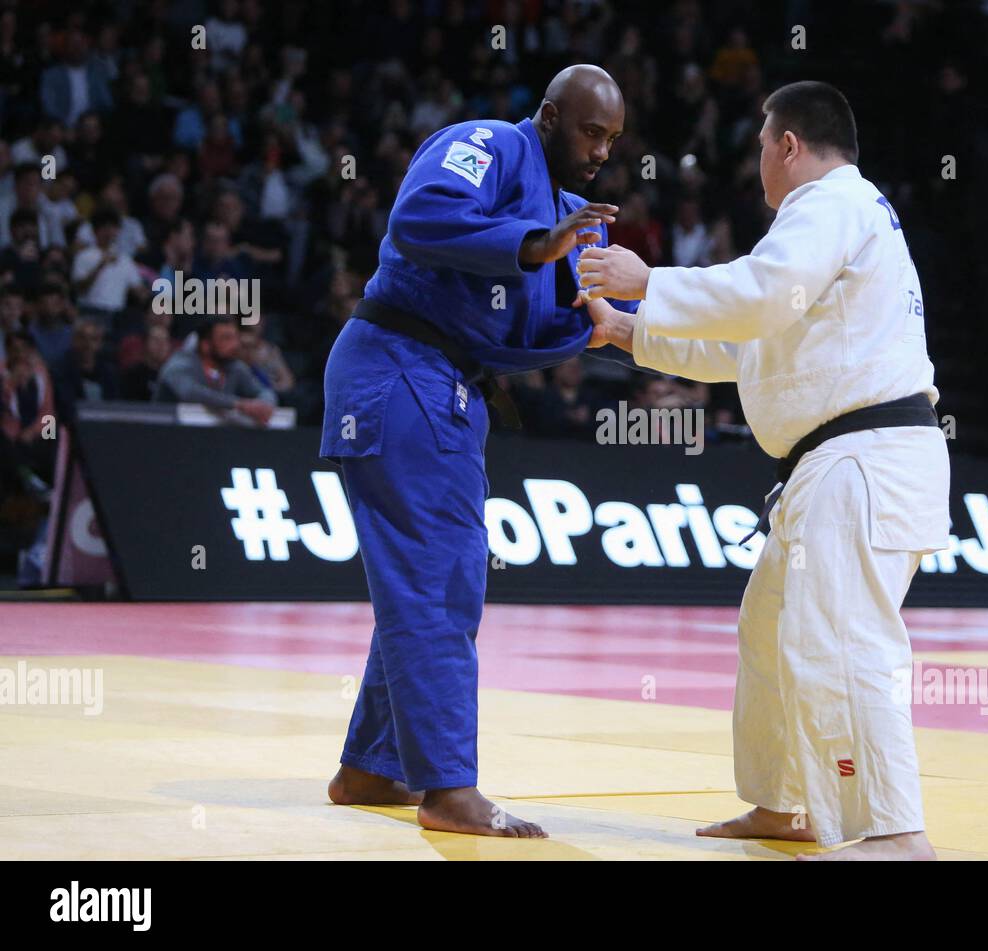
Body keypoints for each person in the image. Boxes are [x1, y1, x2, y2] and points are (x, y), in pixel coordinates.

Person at [579, 81, 949, 860]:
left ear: (787, 145)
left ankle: (894, 829)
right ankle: (785, 803)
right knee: (772, 627)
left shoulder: (828, 204)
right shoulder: (842, 223)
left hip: (863, 458)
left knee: (844, 640)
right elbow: (748, 347)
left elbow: (755, 296)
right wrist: (628, 331)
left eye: (758, 146)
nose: (756, 164)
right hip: (841, 461)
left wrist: (647, 279)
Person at [321, 64, 627, 838]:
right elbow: (419, 221)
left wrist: (596, 327)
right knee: (438, 576)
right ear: (552, 117)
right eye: (592, 132)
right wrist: (534, 244)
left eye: (615, 140)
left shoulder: (563, 212)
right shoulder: (484, 145)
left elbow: (515, 340)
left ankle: (370, 765)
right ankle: (449, 787)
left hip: (450, 387)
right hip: (398, 366)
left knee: (429, 578)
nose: (602, 152)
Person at [153, 316, 277, 426]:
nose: (235, 345)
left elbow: (263, 391)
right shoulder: (179, 364)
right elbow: (190, 392)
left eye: (235, 338)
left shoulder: (235, 367)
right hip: (169, 434)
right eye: (226, 338)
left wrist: (264, 406)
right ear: (205, 345)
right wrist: (239, 404)